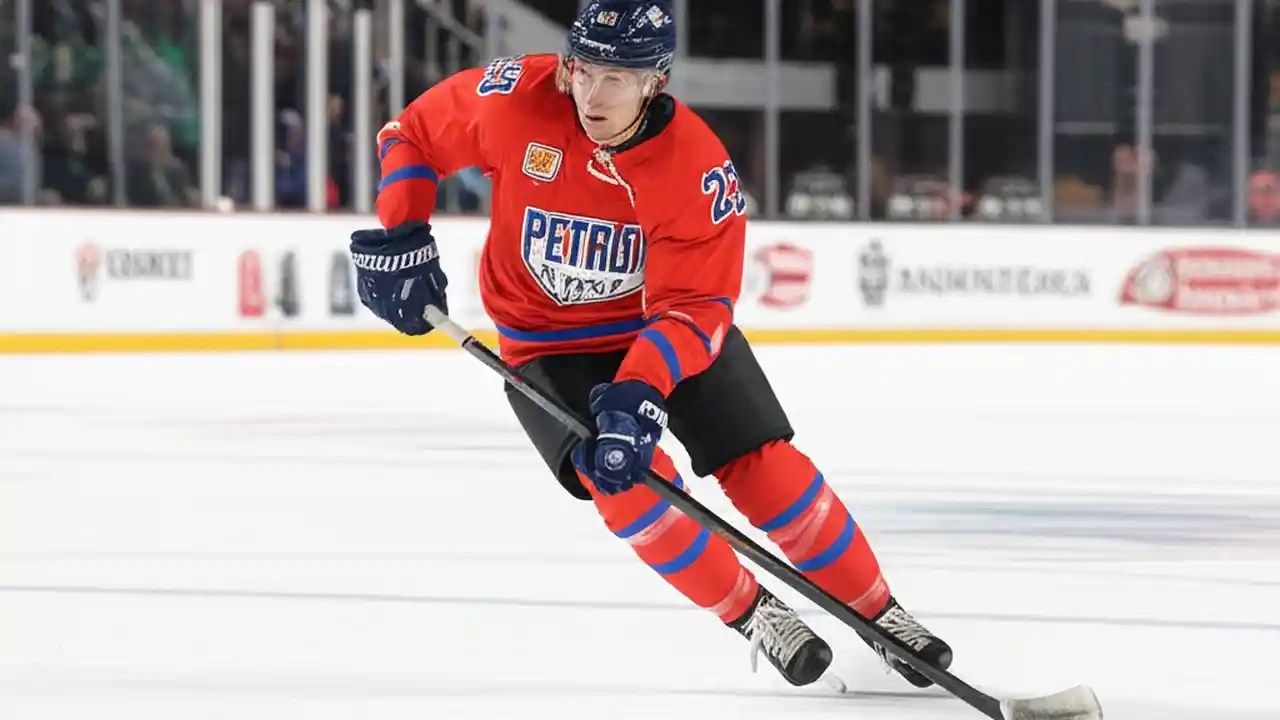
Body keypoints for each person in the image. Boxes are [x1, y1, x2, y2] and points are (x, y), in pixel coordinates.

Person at [349, 0, 952, 689]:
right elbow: (412, 134)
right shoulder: (517, 98)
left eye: (617, 76)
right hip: (547, 344)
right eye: (583, 71)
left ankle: (881, 613)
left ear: (655, 81)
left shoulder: (696, 168)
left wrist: (638, 392)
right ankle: (756, 612)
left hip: (661, 330)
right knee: (622, 481)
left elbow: (695, 309)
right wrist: (401, 232)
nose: (592, 93)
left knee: (760, 461)